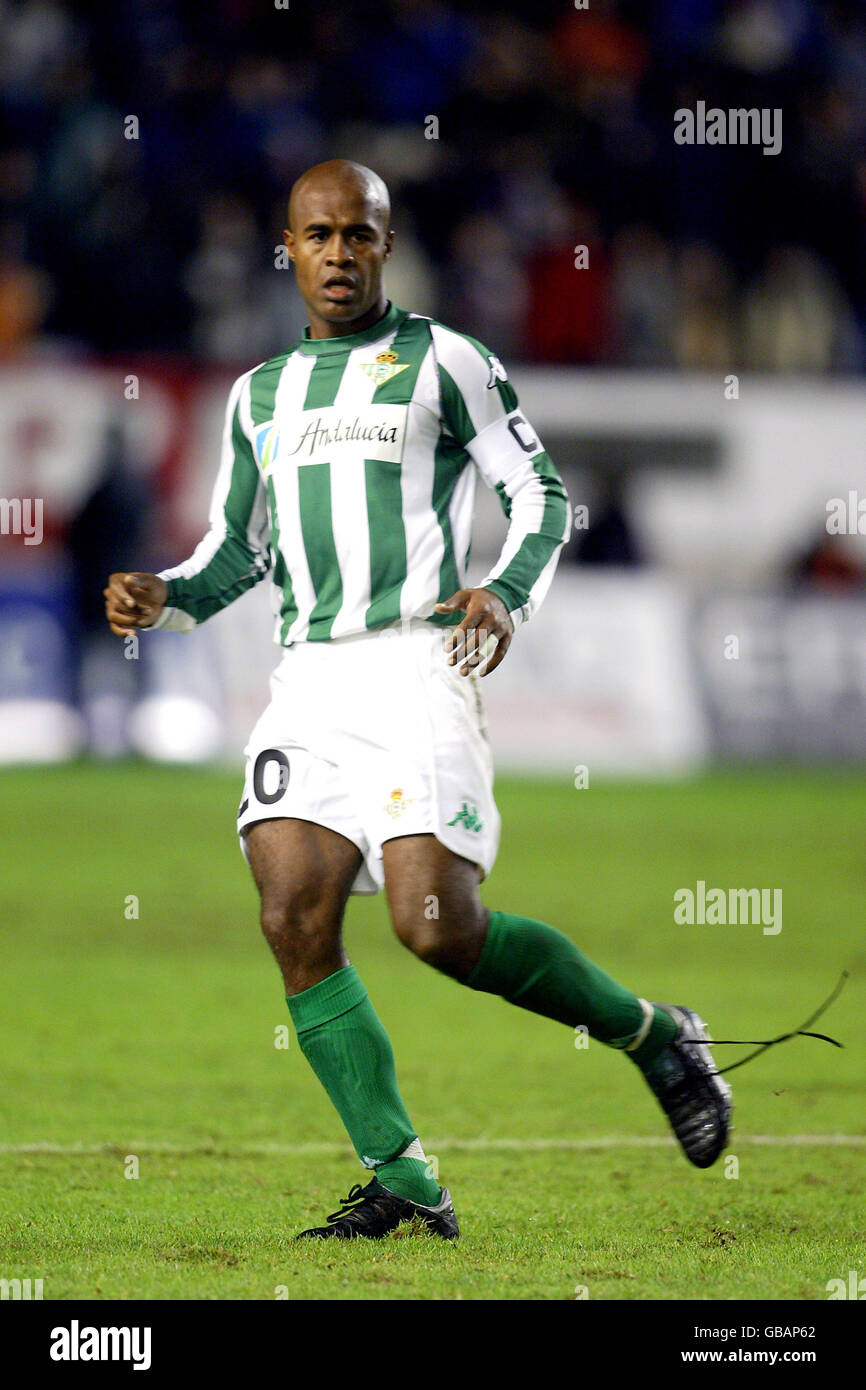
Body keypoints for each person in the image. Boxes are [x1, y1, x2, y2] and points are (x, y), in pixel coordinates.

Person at [104, 160, 731, 1241]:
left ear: (386, 247)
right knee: (290, 916)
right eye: (317, 236)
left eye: (358, 234)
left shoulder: (447, 362)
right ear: (285, 249)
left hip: (415, 660)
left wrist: (505, 590)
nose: (337, 254)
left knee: (434, 927)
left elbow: (538, 493)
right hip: (307, 679)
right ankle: (402, 1176)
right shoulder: (259, 396)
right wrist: (162, 595)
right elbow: (231, 557)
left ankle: (650, 1032)